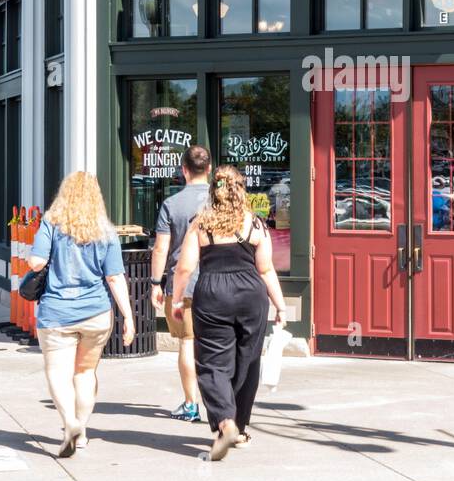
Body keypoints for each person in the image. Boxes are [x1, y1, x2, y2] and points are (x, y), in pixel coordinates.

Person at [171, 165, 287, 461]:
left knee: (212, 363)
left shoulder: (201, 225)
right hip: (251, 295)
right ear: (241, 190)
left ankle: (225, 422)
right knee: (247, 363)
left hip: (212, 294)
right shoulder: (255, 225)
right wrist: (281, 305)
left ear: (214, 191)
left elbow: (184, 267)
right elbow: (266, 268)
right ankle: (241, 428)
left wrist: (175, 299)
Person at [26, 171, 134, 458]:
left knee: (57, 373)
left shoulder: (51, 223)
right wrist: (129, 317)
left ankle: (69, 423)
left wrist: (36, 257)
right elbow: (115, 278)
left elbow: (36, 263)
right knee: (85, 372)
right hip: (96, 313)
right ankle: (82, 430)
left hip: (57, 313)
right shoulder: (106, 231)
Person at [149, 145, 212, 422]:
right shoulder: (222, 201)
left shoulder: (171, 205)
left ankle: (191, 404)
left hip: (182, 286)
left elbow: (161, 249)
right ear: (209, 169)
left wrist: (155, 283)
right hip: (219, 284)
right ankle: (223, 405)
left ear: (184, 170)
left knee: (187, 343)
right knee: (217, 345)